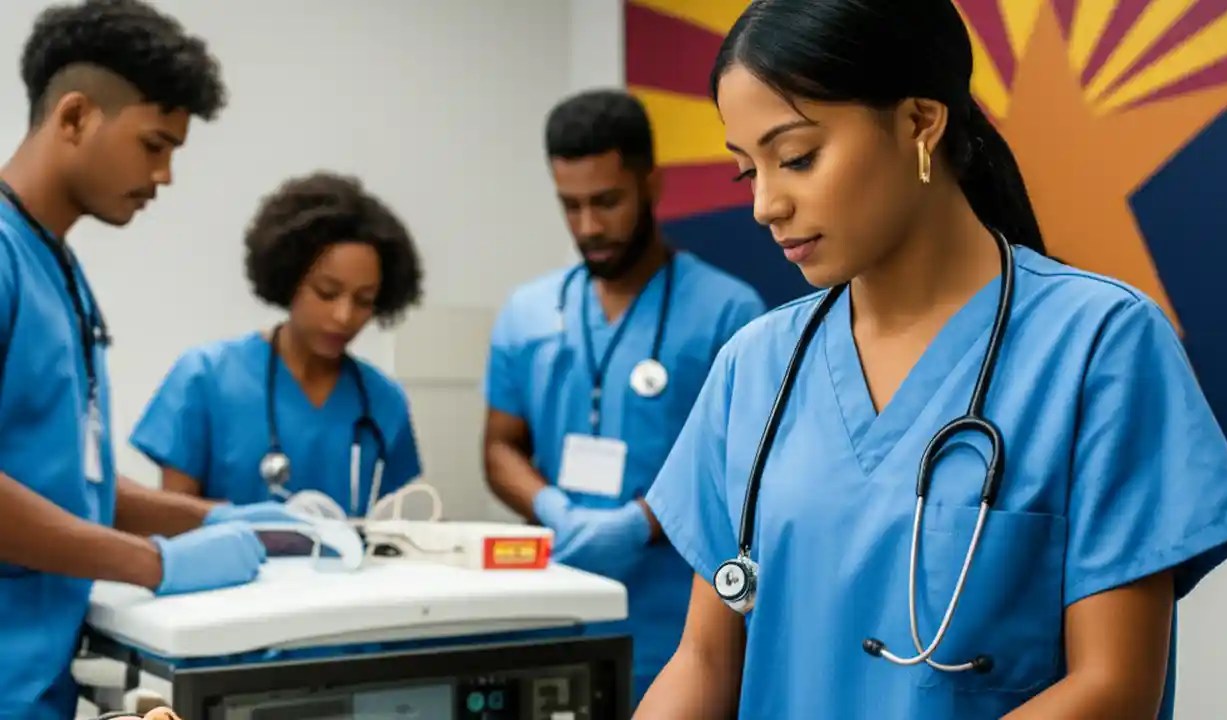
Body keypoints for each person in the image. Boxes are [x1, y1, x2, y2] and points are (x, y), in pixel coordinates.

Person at [636, 1, 1227, 719]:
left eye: (797, 158)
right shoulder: (755, 367)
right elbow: (706, 659)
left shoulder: (1101, 345)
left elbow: (1113, 688)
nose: (765, 204)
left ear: (919, 123)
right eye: (745, 172)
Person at [0, 2, 302, 718]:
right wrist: (153, 563)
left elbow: (71, 477)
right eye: (154, 144)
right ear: (74, 117)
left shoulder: (58, 271)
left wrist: (217, 516)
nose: (164, 175)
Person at [483, 89, 766, 705]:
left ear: (651, 184)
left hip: (677, 630)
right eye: (571, 206)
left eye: (606, 202)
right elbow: (500, 448)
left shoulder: (730, 313)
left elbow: (742, 477)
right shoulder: (527, 313)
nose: (589, 227)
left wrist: (643, 522)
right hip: (555, 618)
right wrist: (552, 506)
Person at [130, 172, 426, 517]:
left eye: (364, 300)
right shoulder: (206, 379)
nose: (344, 316)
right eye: (326, 293)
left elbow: (396, 532)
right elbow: (173, 524)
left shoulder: (382, 401)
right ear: (289, 278)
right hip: (234, 572)